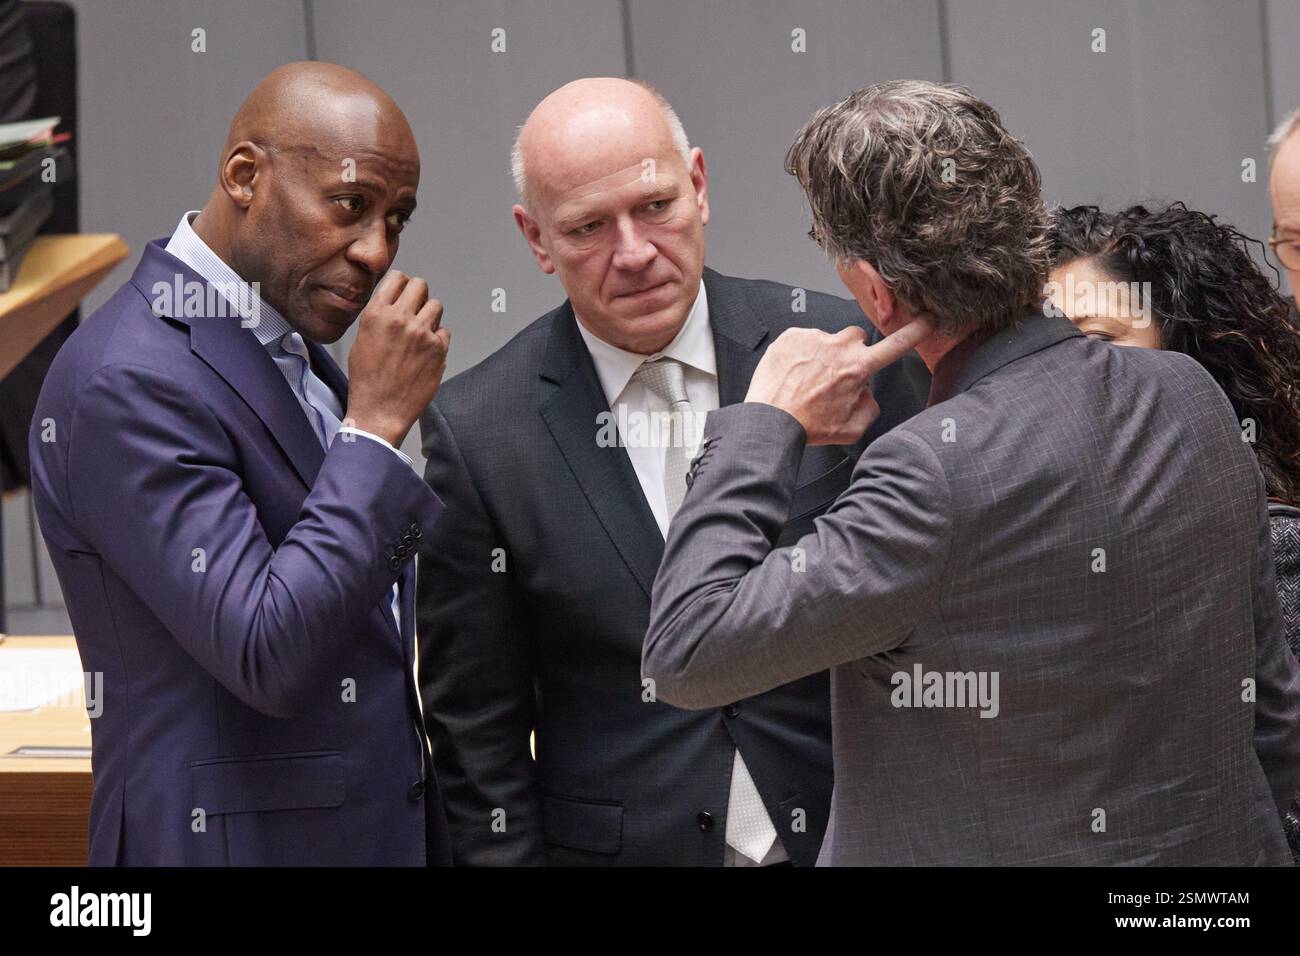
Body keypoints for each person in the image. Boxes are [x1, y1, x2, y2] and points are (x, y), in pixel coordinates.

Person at [641, 80, 1300, 865]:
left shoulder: (926, 477)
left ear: (875, 294)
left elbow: (687, 651)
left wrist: (765, 424)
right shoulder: (1189, 393)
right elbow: (1270, 706)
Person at [415, 77, 923, 866]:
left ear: (698, 184)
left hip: (856, 832)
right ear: (536, 239)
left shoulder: (839, 349)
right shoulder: (478, 431)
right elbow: (477, 734)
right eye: (587, 226)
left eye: (655, 206)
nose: (635, 253)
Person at [29, 62, 452, 865]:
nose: (376, 251)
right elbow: (266, 650)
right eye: (350, 205)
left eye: (397, 219)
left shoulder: (288, 347)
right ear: (245, 176)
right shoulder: (127, 376)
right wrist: (373, 431)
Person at [1047, 200, 1300, 862]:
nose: (1062, 376)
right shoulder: (1039, 532)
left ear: (1189, 349)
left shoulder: (1268, 538)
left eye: (1099, 341)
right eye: (1043, 349)